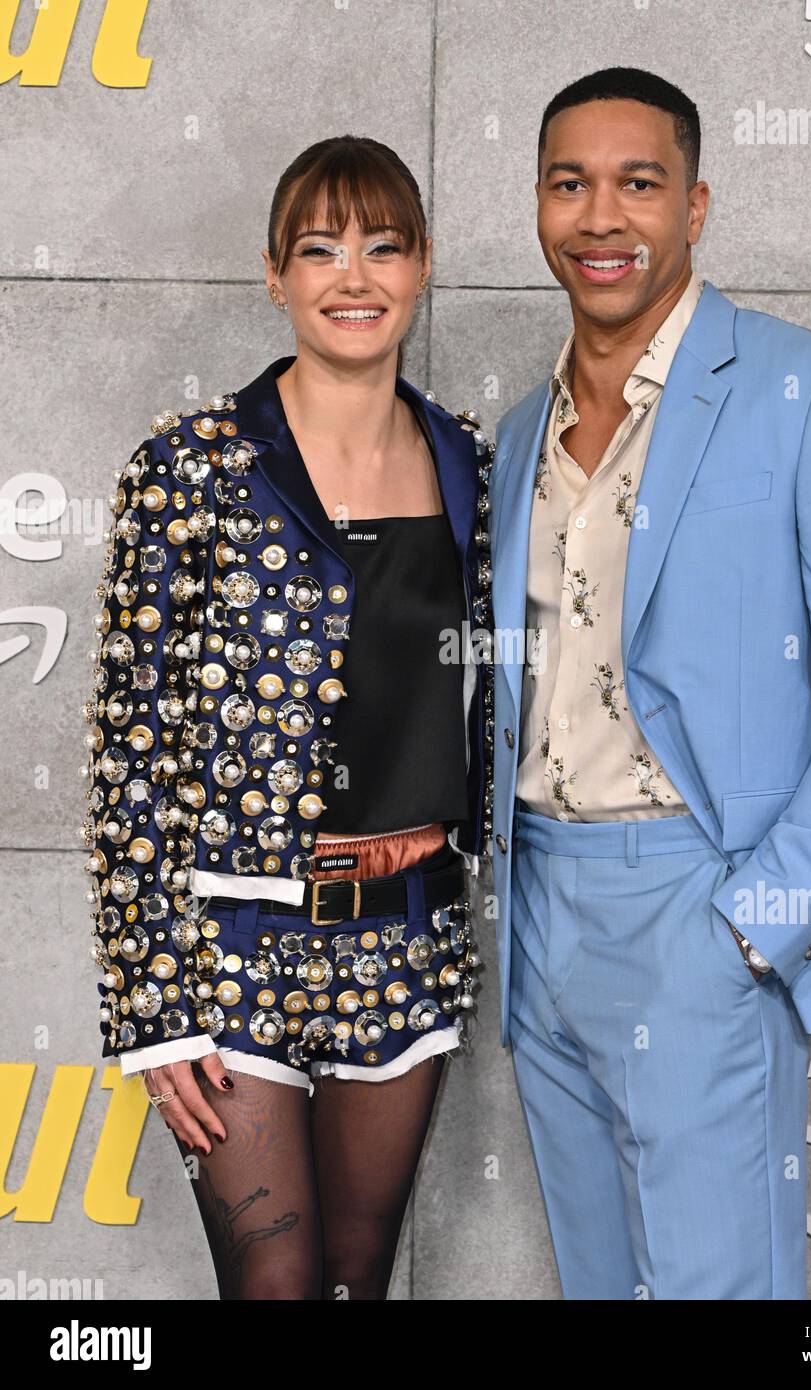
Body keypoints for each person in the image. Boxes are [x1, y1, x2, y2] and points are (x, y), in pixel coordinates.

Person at [488, 67, 811, 1299]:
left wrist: (757, 924)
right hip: (541, 919)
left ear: (696, 206)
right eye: (569, 183)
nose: (602, 217)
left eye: (639, 183)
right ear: (537, 205)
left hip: (700, 910)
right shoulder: (523, 432)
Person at [83, 135, 494, 1299]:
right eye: (319, 249)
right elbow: (132, 752)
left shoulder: (466, 460)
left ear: (422, 267)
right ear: (275, 274)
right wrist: (152, 1003)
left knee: (360, 1278)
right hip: (230, 952)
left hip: (407, 939)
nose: (351, 276)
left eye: (382, 245)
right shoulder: (191, 468)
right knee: (274, 1291)